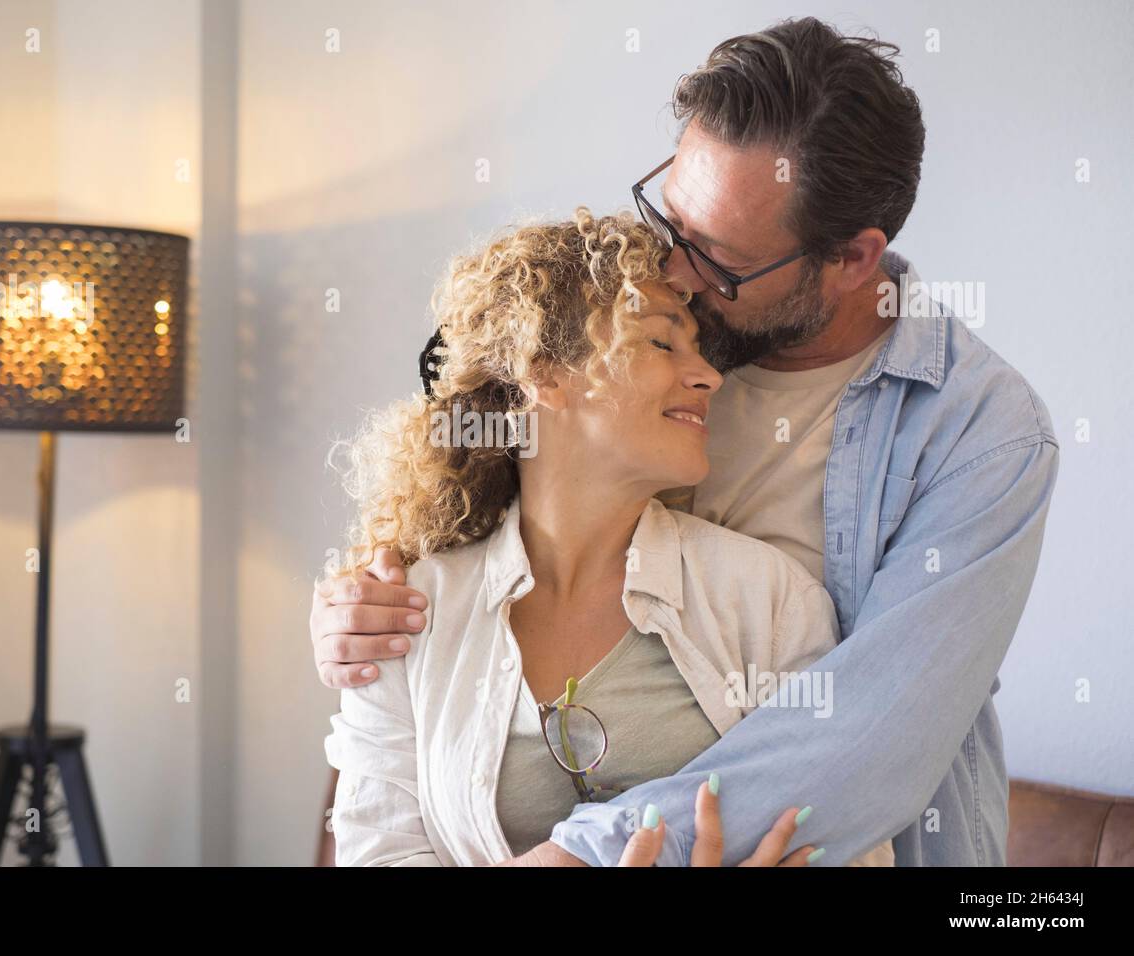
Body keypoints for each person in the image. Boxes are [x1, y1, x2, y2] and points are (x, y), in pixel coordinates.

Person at [313, 17, 1059, 866]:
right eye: (670, 222)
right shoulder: (657, 313)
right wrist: (370, 606)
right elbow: (475, 399)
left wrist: (584, 857)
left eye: (716, 259)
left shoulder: (983, 437)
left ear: (852, 259)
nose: (671, 272)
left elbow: (870, 741)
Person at [323, 209, 893, 867]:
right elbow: (376, 852)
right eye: (661, 343)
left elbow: (854, 838)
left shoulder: (767, 599)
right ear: (544, 372)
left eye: (699, 349)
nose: (707, 375)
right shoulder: (407, 614)